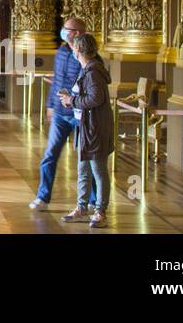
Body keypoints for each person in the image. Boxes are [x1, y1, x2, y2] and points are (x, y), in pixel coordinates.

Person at [29, 17, 97, 211]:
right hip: (60, 113)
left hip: (80, 114)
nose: (63, 31)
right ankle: (43, 197)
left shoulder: (90, 57)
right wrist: (51, 105)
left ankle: (93, 201)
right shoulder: (61, 52)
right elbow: (58, 81)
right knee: (50, 155)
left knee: (87, 159)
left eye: (66, 28)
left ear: (76, 33)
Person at [58, 33, 114, 228]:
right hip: (86, 127)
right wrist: (69, 98)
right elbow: (86, 96)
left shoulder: (92, 72)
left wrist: (71, 100)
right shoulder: (86, 70)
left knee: (98, 170)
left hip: (95, 128)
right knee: (83, 170)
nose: (72, 50)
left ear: (79, 49)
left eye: (73, 47)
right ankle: (81, 208)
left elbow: (95, 99)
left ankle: (100, 211)